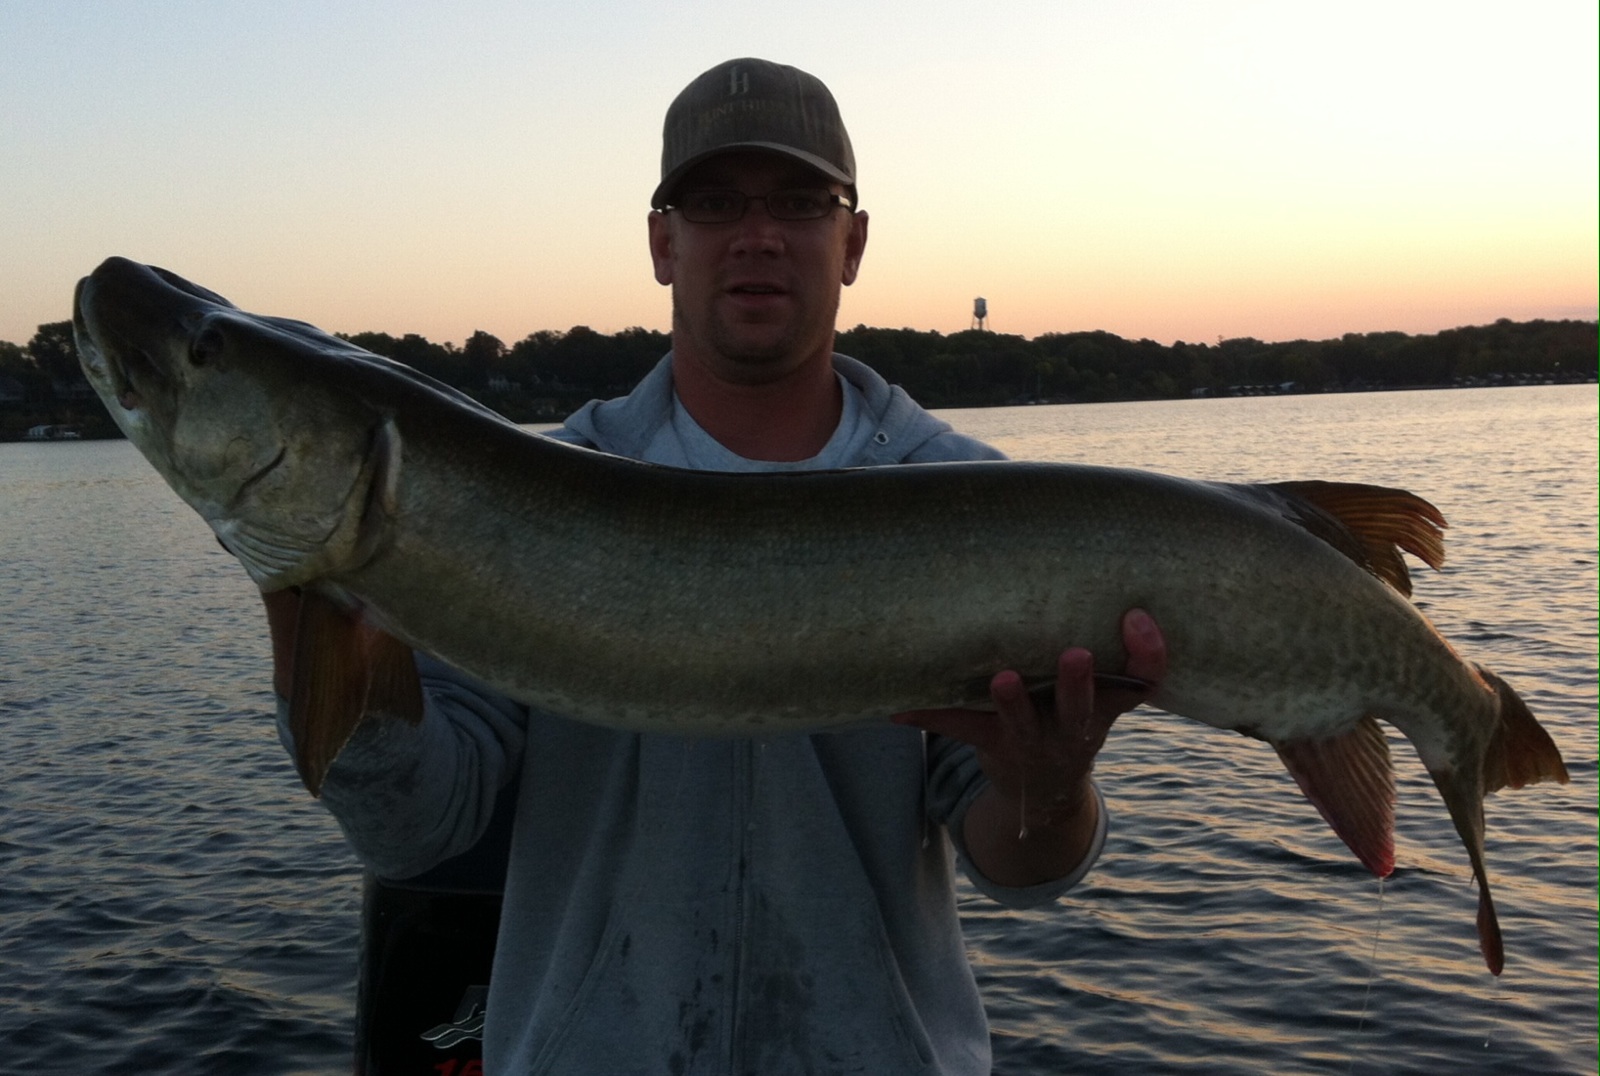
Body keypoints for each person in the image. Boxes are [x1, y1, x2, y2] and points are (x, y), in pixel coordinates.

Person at [264, 57, 1166, 1075]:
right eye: (714, 201)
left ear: (852, 240)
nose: (758, 233)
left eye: (799, 201)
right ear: (662, 240)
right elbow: (414, 829)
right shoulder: (520, 500)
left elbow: (1020, 863)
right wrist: (302, 596)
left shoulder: (971, 502)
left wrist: (1050, 786)